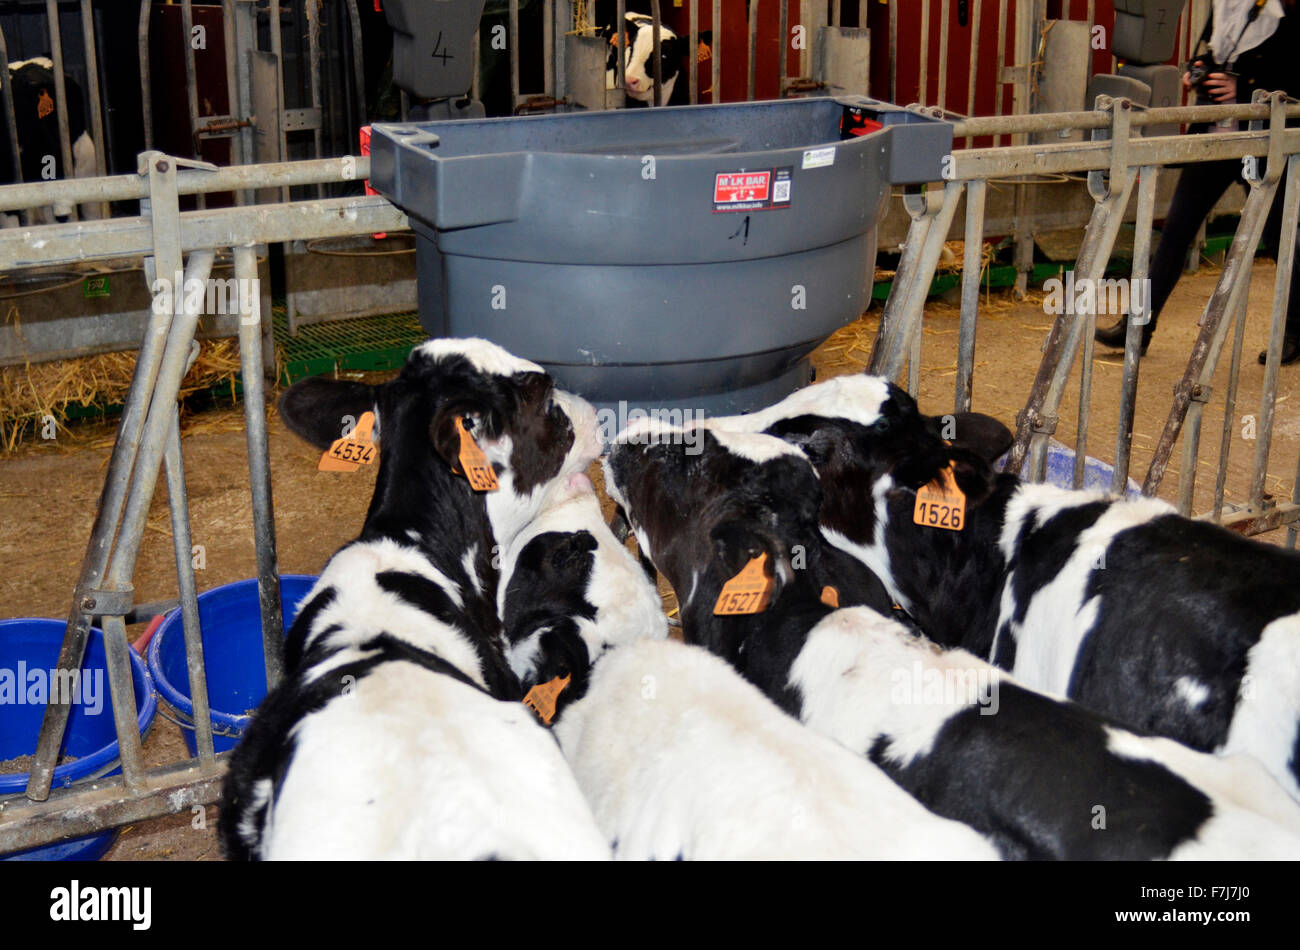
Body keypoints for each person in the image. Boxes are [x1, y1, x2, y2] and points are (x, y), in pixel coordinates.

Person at [1095, 0, 1300, 365]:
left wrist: (1246, 87)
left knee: (1282, 240)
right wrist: (1201, 70)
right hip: (1217, 131)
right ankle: (1136, 328)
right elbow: (1215, 51)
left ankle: (1295, 334)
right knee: (1177, 229)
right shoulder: (1225, 3)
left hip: (1268, 140)